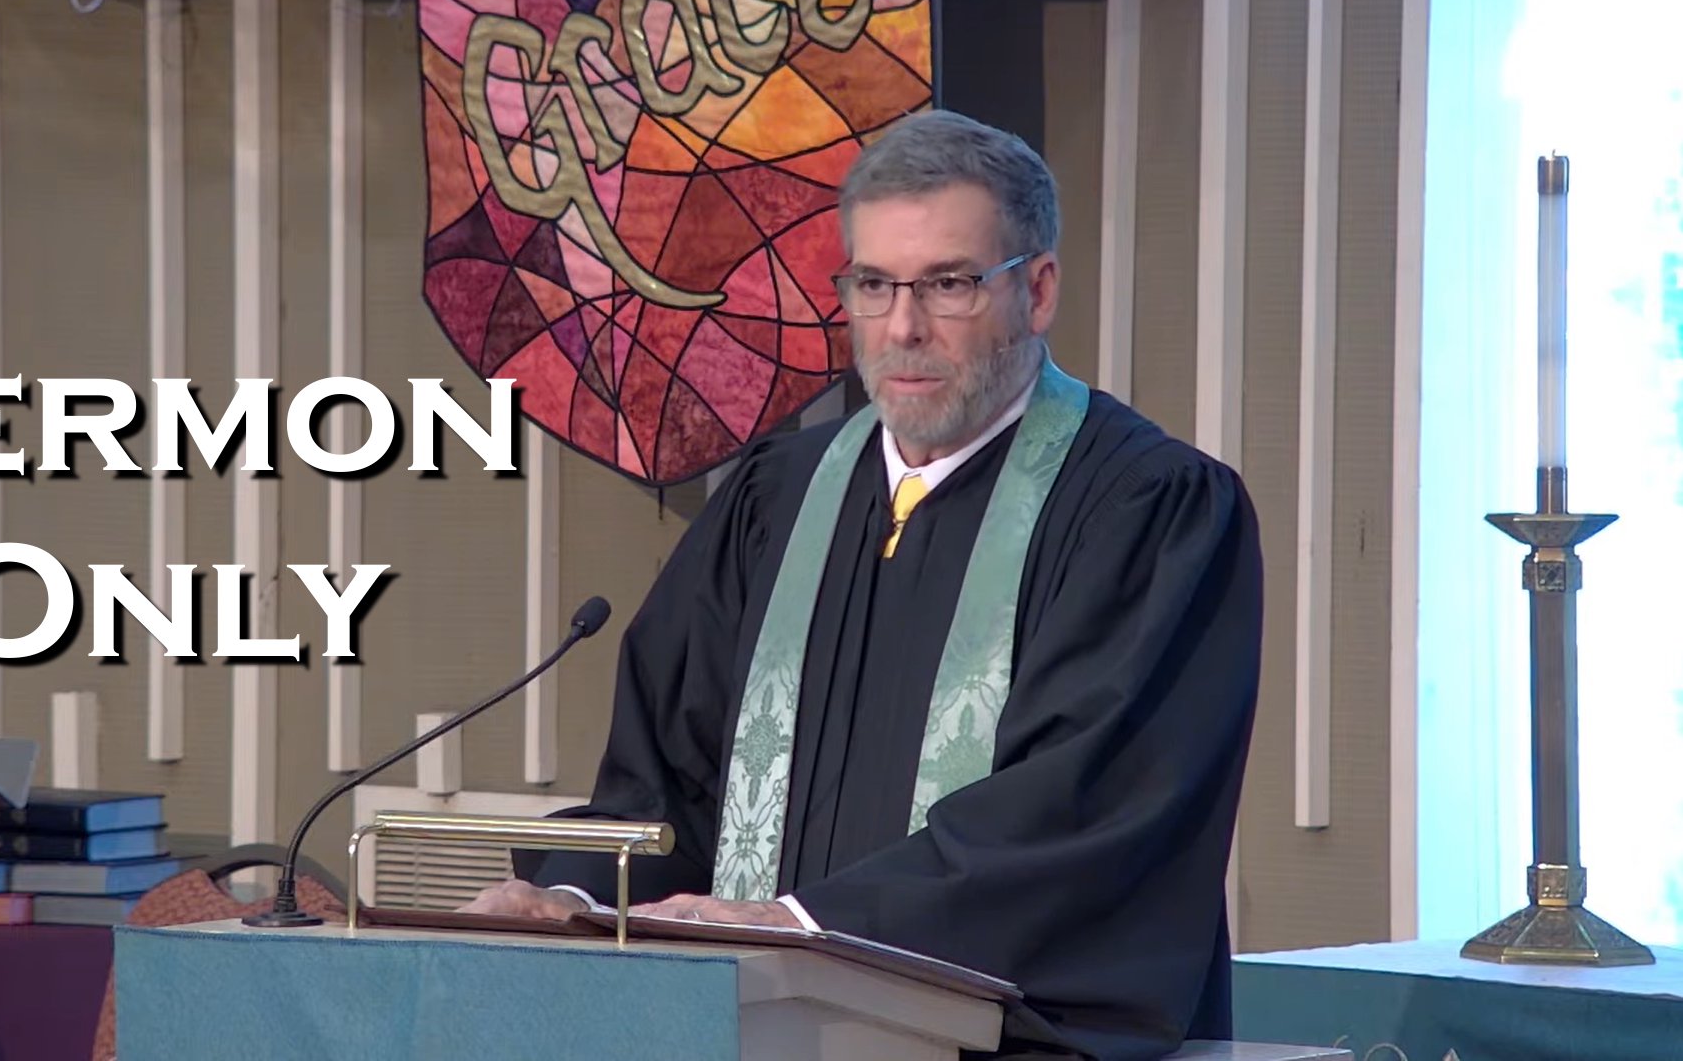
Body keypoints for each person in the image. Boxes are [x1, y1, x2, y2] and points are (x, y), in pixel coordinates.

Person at [458, 109, 1264, 1061]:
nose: (903, 328)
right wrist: (574, 897)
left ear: (1038, 290)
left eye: (949, 285)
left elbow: (1080, 813)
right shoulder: (776, 499)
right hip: (756, 1034)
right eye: (874, 285)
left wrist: (804, 926)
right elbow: (663, 780)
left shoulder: (1145, 510)